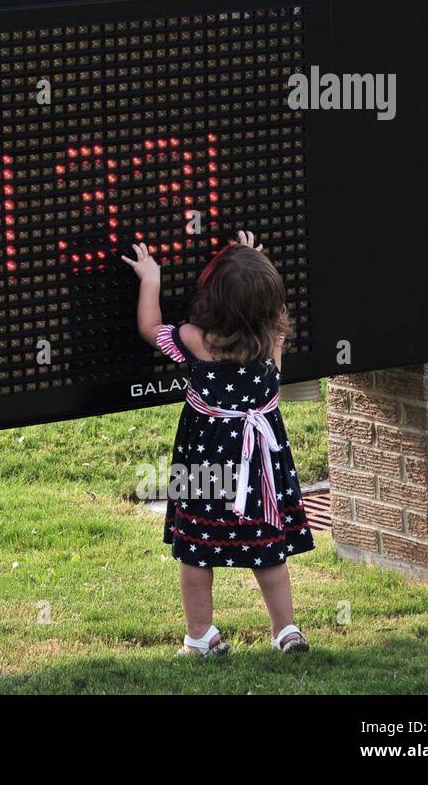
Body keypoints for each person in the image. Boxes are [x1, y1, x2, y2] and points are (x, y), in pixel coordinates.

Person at [122, 231, 314, 657]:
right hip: (260, 468)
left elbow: (149, 328)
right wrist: (251, 261)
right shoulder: (271, 343)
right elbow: (268, 315)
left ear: (211, 301)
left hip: (205, 463)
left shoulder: (194, 340)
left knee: (196, 552)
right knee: (269, 550)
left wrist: (151, 277)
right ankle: (286, 630)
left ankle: (201, 635)